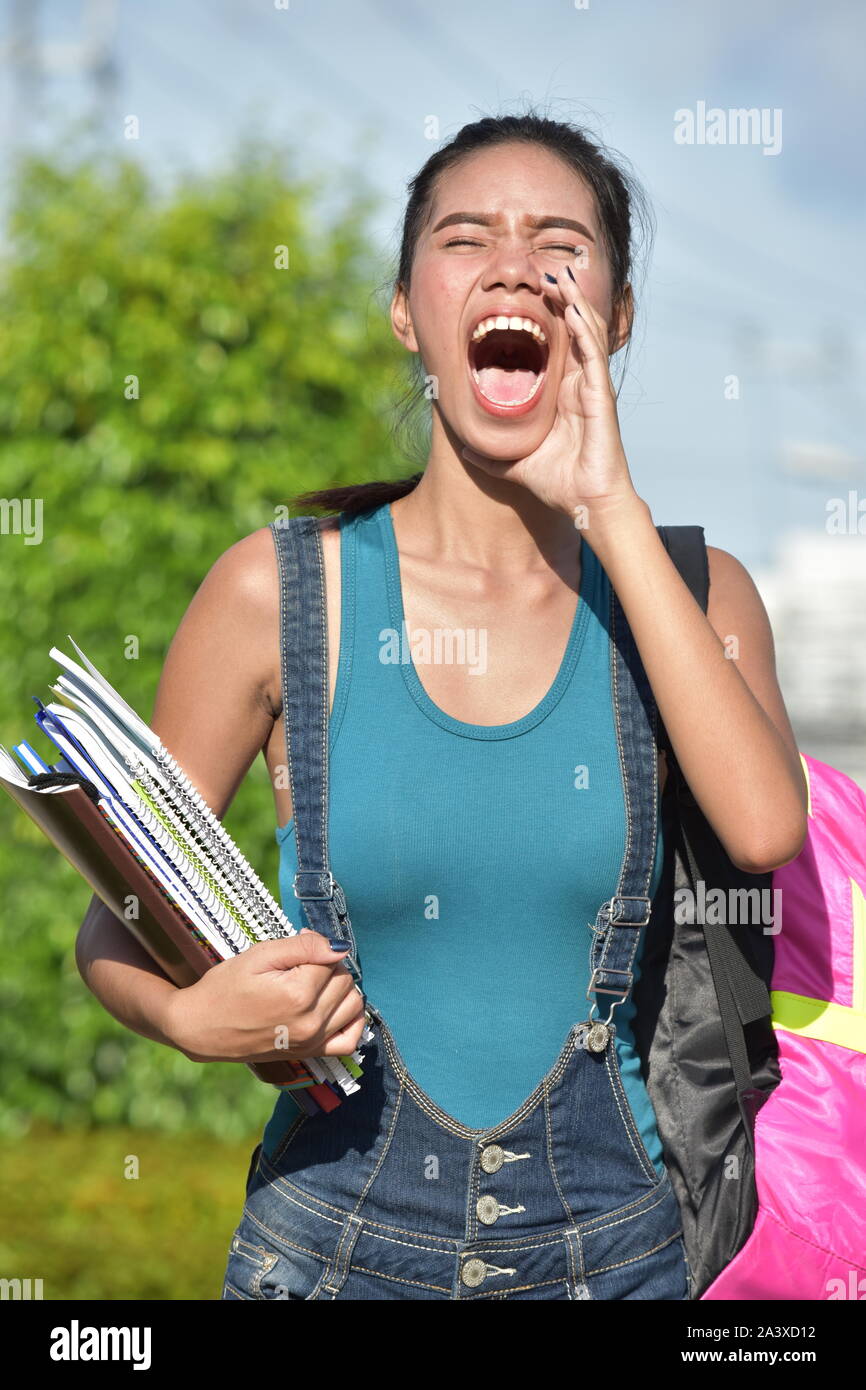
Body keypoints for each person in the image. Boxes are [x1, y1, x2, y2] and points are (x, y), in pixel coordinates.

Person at [75, 111, 808, 1300]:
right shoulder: (278, 591)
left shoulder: (688, 590)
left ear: (612, 320)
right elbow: (113, 917)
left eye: (557, 244)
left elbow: (762, 827)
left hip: (617, 1263)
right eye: (465, 238)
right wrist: (190, 1017)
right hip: (329, 1254)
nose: (513, 264)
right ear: (407, 311)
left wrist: (608, 508)